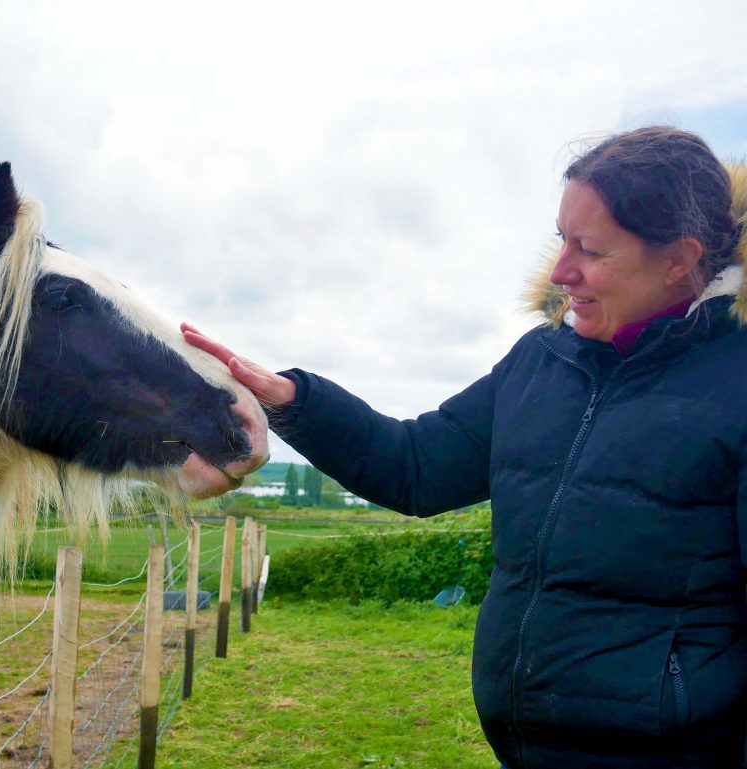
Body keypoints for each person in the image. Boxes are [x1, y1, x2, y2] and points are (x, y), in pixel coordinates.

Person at [182, 126, 747, 769]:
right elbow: (417, 468)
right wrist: (291, 400)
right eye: (560, 238)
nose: (561, 271)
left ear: (680, 258)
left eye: (590, 250)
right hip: (529, 748)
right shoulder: (543, 359)